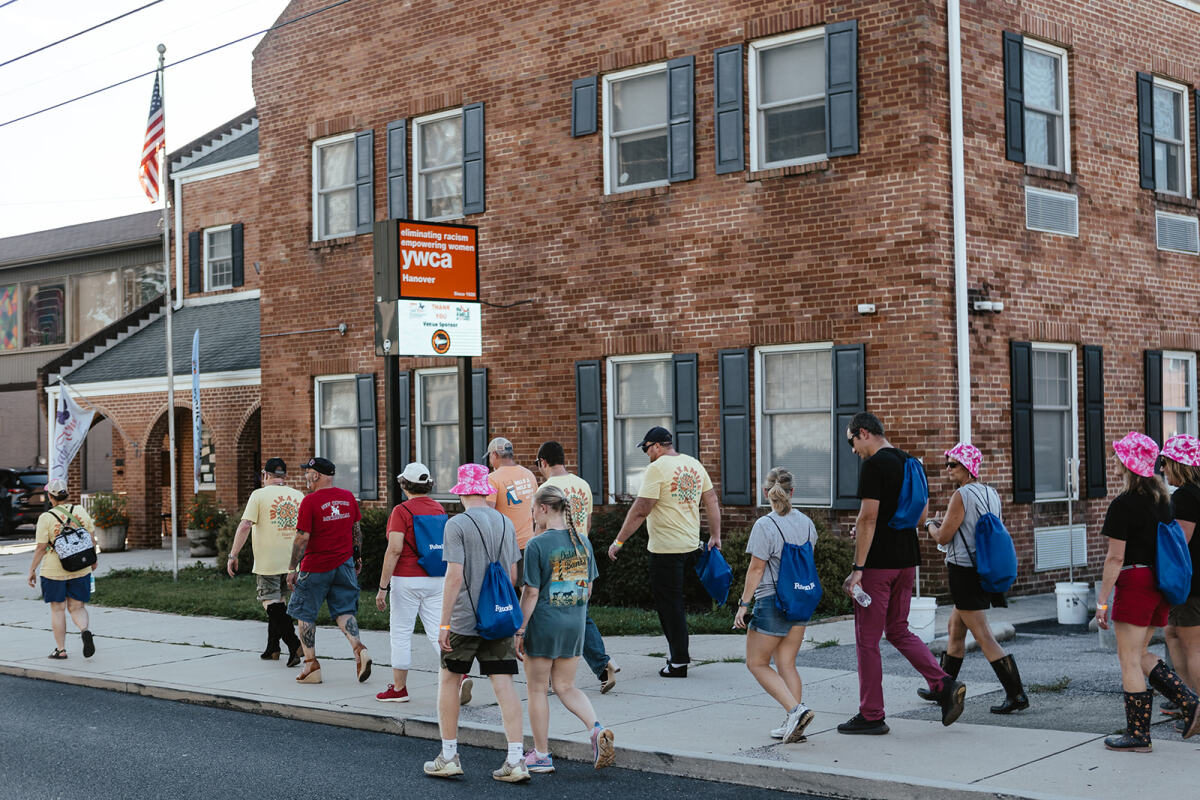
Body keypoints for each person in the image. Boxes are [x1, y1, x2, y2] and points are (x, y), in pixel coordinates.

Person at [840, 412, 964, 735]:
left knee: (867, 641)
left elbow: (868, 519)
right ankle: (944, 683)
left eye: (851, 441)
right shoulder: (913, 463)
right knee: (897, 629)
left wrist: (857, 570)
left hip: (878, 566)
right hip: (907, 560)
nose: (853, 450)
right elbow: (920, 513)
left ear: (863, 433)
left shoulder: (874, 466)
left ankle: (872, 714)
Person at [424, 463, 529, 782]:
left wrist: (443, 624)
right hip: (497, 618)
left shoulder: (456, 524)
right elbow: (512, 576)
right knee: (504, 685)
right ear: (485, 490)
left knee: (449, 681)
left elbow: (453, 576)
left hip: (464, 620)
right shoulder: (505, 523)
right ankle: (515, 759)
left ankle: (450, 755)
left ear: (462, 491)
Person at [1095, 432, 1200, 750]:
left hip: (1135, 583)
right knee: (1140, 654)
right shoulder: (1164, 501)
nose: (1113, 461)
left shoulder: (1123, 504)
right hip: (1158, 586)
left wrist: (1102, 601)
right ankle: (1189, 701)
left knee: (1128, 658)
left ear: (1127, 463)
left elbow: (1115, 558)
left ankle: (1139, 734)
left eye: (1117, 456)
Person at [922, 443, 1028, 714]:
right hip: (980, 569)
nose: (948, 469)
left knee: (983, 635)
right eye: (947, 464)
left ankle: (1016, 695)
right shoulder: (990, 493)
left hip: (963, 572)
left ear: (968, 467)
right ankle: (941, 689)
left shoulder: (962, 495)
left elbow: (944, 536)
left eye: (953, 464)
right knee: (955, 630)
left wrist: (928, 526)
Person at [608, 426, 721, 678]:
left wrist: (619, 541)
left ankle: (678, 662)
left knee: (670, 606)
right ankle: (677, 654)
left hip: (666, 550)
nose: (646, 454)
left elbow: (641, 509)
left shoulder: (657, 468)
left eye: (646, 448)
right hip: (691, 546)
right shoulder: (693, 464)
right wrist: (715, 535)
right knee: (677, 603)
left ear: (657, 446)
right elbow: (711, 500)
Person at [517, 484, 616, 773]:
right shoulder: (582, 541)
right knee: (566, 686)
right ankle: (595, 729)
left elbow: (531, 593)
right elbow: (589, 587)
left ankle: (541, 755)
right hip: (574, 623)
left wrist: (519, 630)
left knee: (537, 689)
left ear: (544, 509)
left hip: (544, 624)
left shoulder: (537, 545)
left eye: (533, 509)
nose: (532, 514)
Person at [375, 462, 471, 706]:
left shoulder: (401, 511)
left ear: (405, 485)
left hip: (406, 579)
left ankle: (399, 688)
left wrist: (382, 587)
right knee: (437, 631)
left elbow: (394, 549)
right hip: (437, 576)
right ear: (428, 485)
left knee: (401, 633)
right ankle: (460, 676)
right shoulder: (438, 509)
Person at [733, 468, 817, 743]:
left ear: (765, 491)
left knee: (756, 662)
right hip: (801, 600)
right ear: (792, 491)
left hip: (772, 601)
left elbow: (756, 569)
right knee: (786, 663)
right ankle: (795, 723)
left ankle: (796, 711)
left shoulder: (765, 525)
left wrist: (744, 604)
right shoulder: (807, 523)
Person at [535, 439, 619, 693]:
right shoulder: (582, 485)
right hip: (579, 552)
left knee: (547, 615)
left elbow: (540, 527)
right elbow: (588, 524)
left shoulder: (546, 488)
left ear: (543, 462)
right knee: (579, 613)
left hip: (552, 555)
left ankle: (549, 678)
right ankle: (603, 665)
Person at [285, 457, 371, 685]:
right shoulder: (347, 497)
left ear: (317, 475)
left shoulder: (310, 501)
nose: (306, 476)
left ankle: (311, 665)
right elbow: (356, 530)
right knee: (344, 611)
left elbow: (302, 537)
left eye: (308, 472)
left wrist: (292, 567)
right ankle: (358, 648)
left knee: (305, 613)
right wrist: (357, 556)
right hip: (344, 565)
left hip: (316, 567)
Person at [227, 457, 305, 667]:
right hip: (293, 560)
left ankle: (294, 643)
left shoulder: (258, 495)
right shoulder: (298, 496)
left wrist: (233, 555)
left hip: (268, 559)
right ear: (284, 476)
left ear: (265, 476)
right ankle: (273, 648)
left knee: (269, 602)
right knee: (279, 601)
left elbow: (245, 525)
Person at [26, 478, 97, 660]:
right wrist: (93, 559)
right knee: (77, 607)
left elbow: (41, 547)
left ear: (50, 497)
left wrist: (32, 570)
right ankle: (85, 630)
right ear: (66, 494)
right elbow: (90, 537)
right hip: (80, 568)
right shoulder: (80, 511)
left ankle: (61, 649)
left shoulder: (46, 518)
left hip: (54, 571)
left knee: (58, 609)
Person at [1160, 434, 1200, 725]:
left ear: (1179, 464)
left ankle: (1196, 708)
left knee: (1192, 645)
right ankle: (1186, 699)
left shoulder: (1185, 496)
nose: (1162, 469)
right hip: (1191, 582)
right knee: (1173, 634)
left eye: (1165, 463)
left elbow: (1180, 544)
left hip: (1191, 583)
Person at [485, 437, 538, 572]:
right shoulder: (529, 475)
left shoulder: (492, 479)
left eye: (490, 456)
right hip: (528, 542)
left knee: (506, 587)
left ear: (494, 455)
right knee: (526, 588)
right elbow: (536, 509)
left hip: (505, 545)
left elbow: (488, 515)